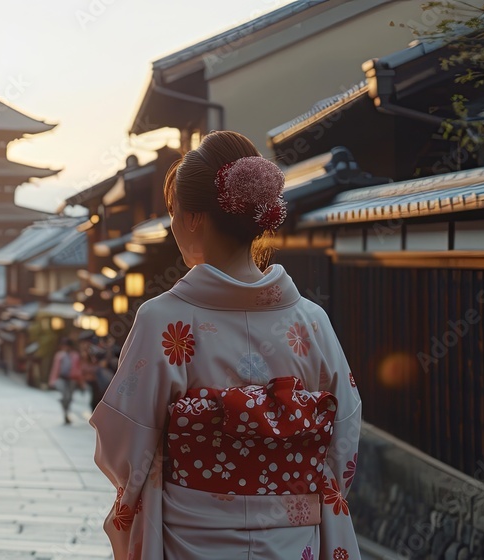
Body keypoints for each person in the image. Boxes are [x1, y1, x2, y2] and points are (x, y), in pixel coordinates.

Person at [90, 131, 362, 559]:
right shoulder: (311, 322)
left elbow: (124, 446)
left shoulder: (163, 320)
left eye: (174, 212)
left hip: (192, 538)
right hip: (293, 541)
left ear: (195, 217)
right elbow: (343, 440)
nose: (173, 224)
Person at [49, 338, 83, 424]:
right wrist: (52, 380)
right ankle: (65, 413)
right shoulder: (59, 355)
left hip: (72, 379)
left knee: (69, 398)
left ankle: (66, 412)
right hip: (61, 378)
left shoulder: (75, 356)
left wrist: (80, 381)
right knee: (66, 396)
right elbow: (55, 368)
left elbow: (78, 369)